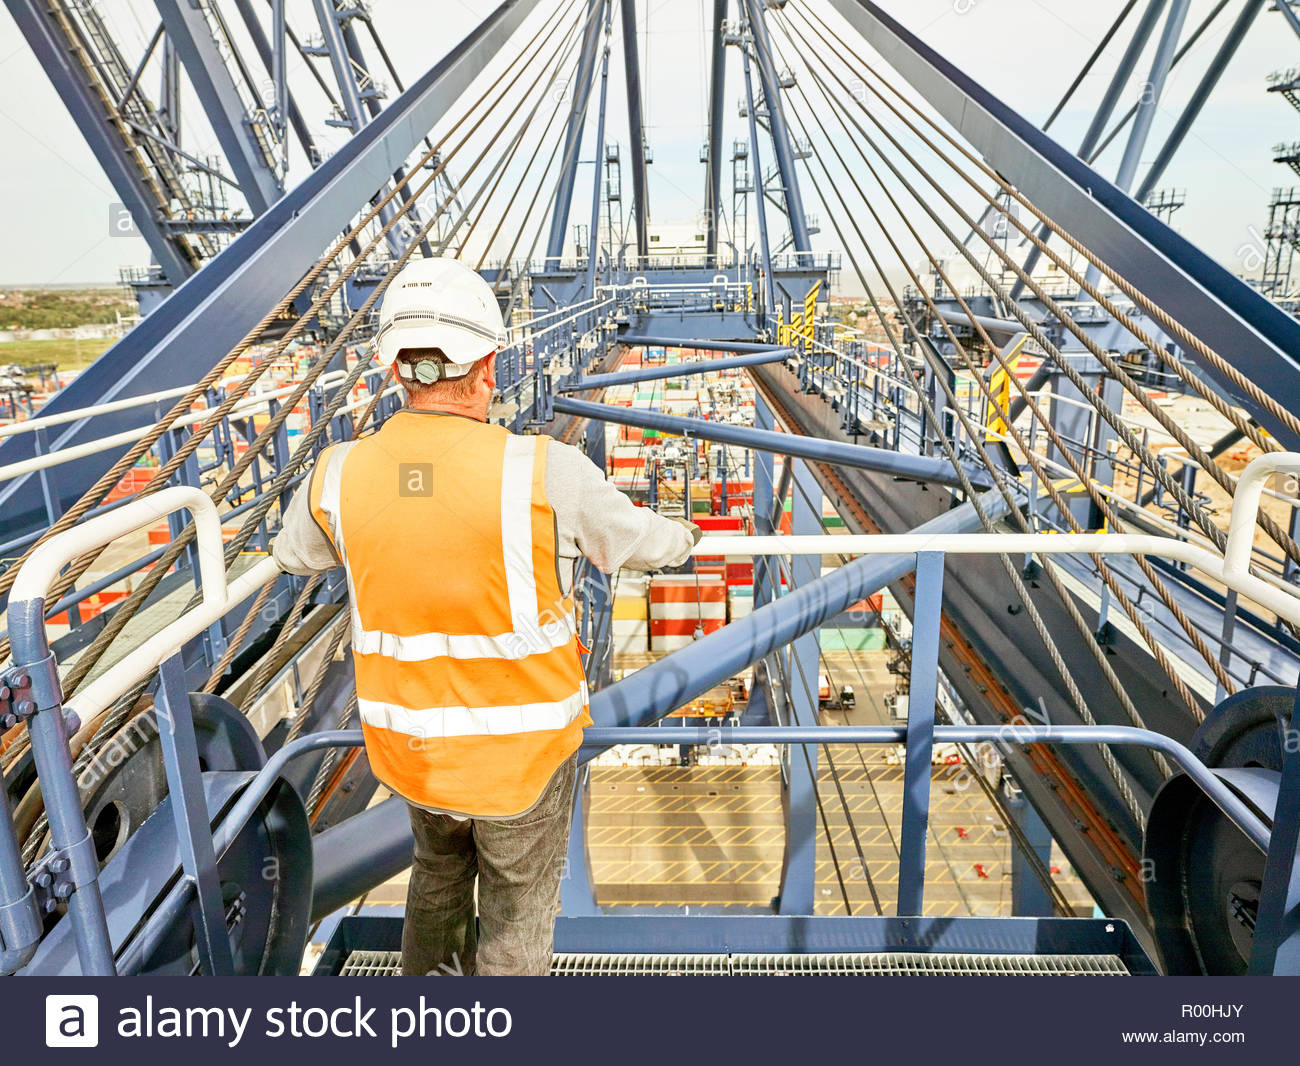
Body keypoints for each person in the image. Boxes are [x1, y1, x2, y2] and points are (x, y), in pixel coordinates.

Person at [272, 256, 698, 976]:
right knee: (517, 912)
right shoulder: (542, 468)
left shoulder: (338, 473)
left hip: (412, 749)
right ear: (490, 366)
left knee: (437, 878)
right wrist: (686, 537)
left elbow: (294, 555)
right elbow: (639, 543)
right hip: (520, 756)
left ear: (395, 370)